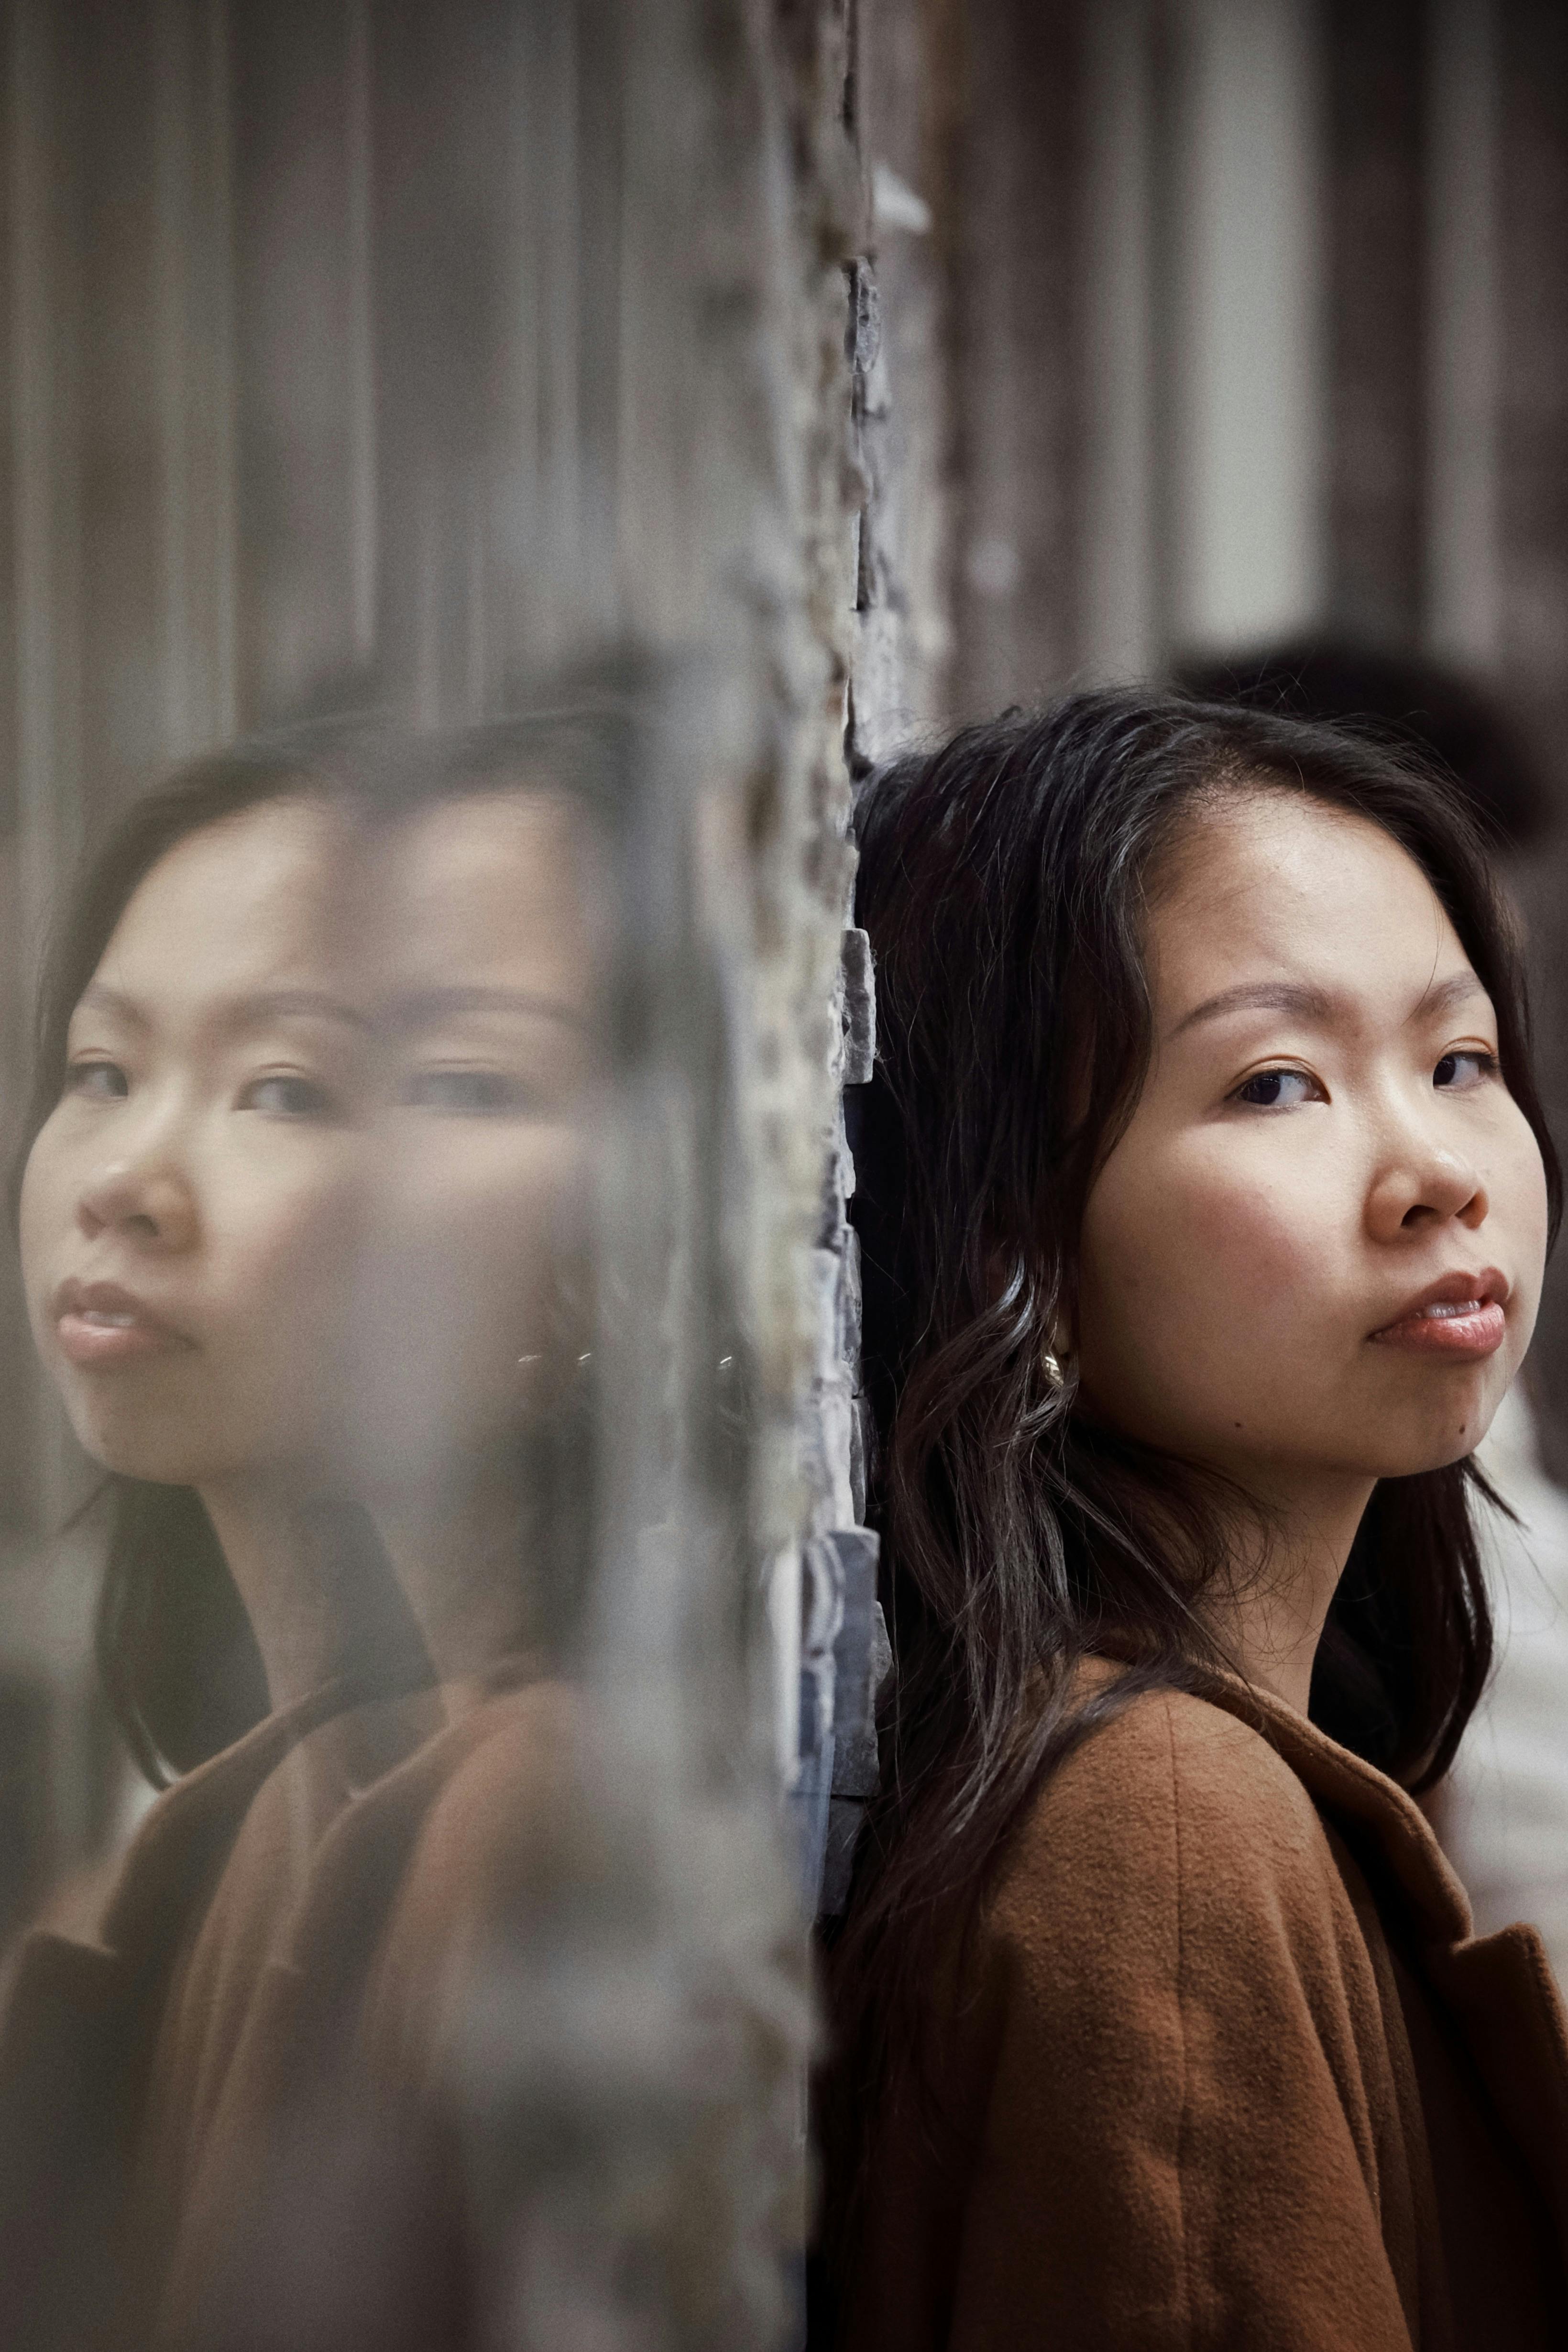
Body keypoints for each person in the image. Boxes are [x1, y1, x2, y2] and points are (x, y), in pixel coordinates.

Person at [821, 689, 1568, 2349]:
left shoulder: (1203, 1775)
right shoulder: (1162, 1833)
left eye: (1460, 1060)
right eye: (1279, 1084)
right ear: (1017, 1247)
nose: (1439, 1167)